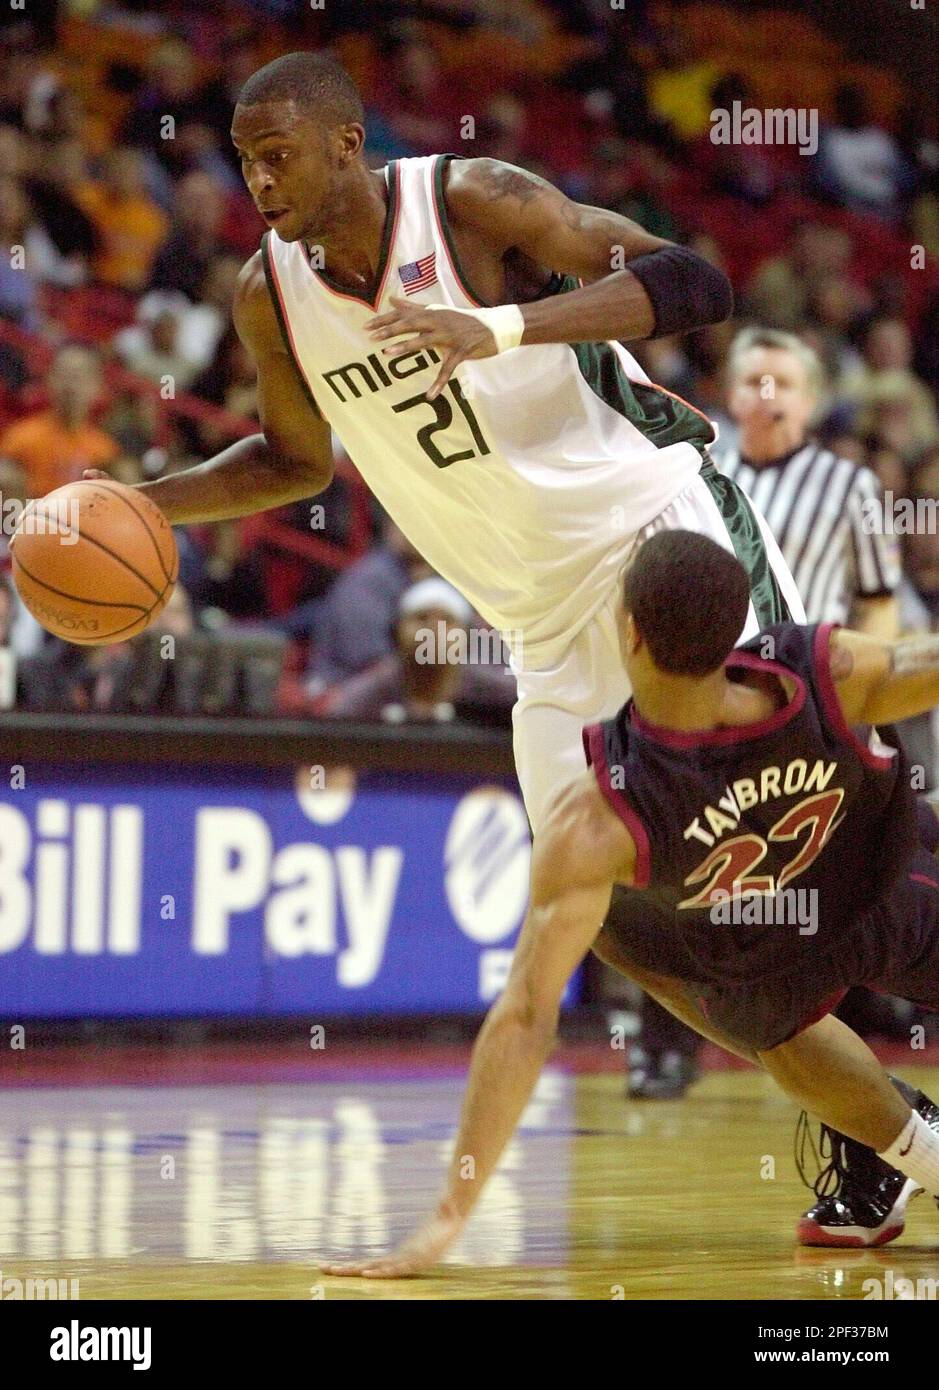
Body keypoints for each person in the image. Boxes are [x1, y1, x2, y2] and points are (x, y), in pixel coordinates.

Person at [322, 530, 939, 1277]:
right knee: (663, 950)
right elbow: (921, 662)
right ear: (738, 621)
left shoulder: (597, 820)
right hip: (870, 885)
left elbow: (523, 1017)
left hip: (773, 949)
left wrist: (447, 1219)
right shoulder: (819, 671)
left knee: (631, 939)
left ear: (627, 634)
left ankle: (915, 1157)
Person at [1, 343, 120, 497]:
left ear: (97, 386)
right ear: (49, 379)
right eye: (64, 374)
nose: (70, 386)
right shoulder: (21, 438)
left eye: (79, 377)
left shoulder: (104, 450)